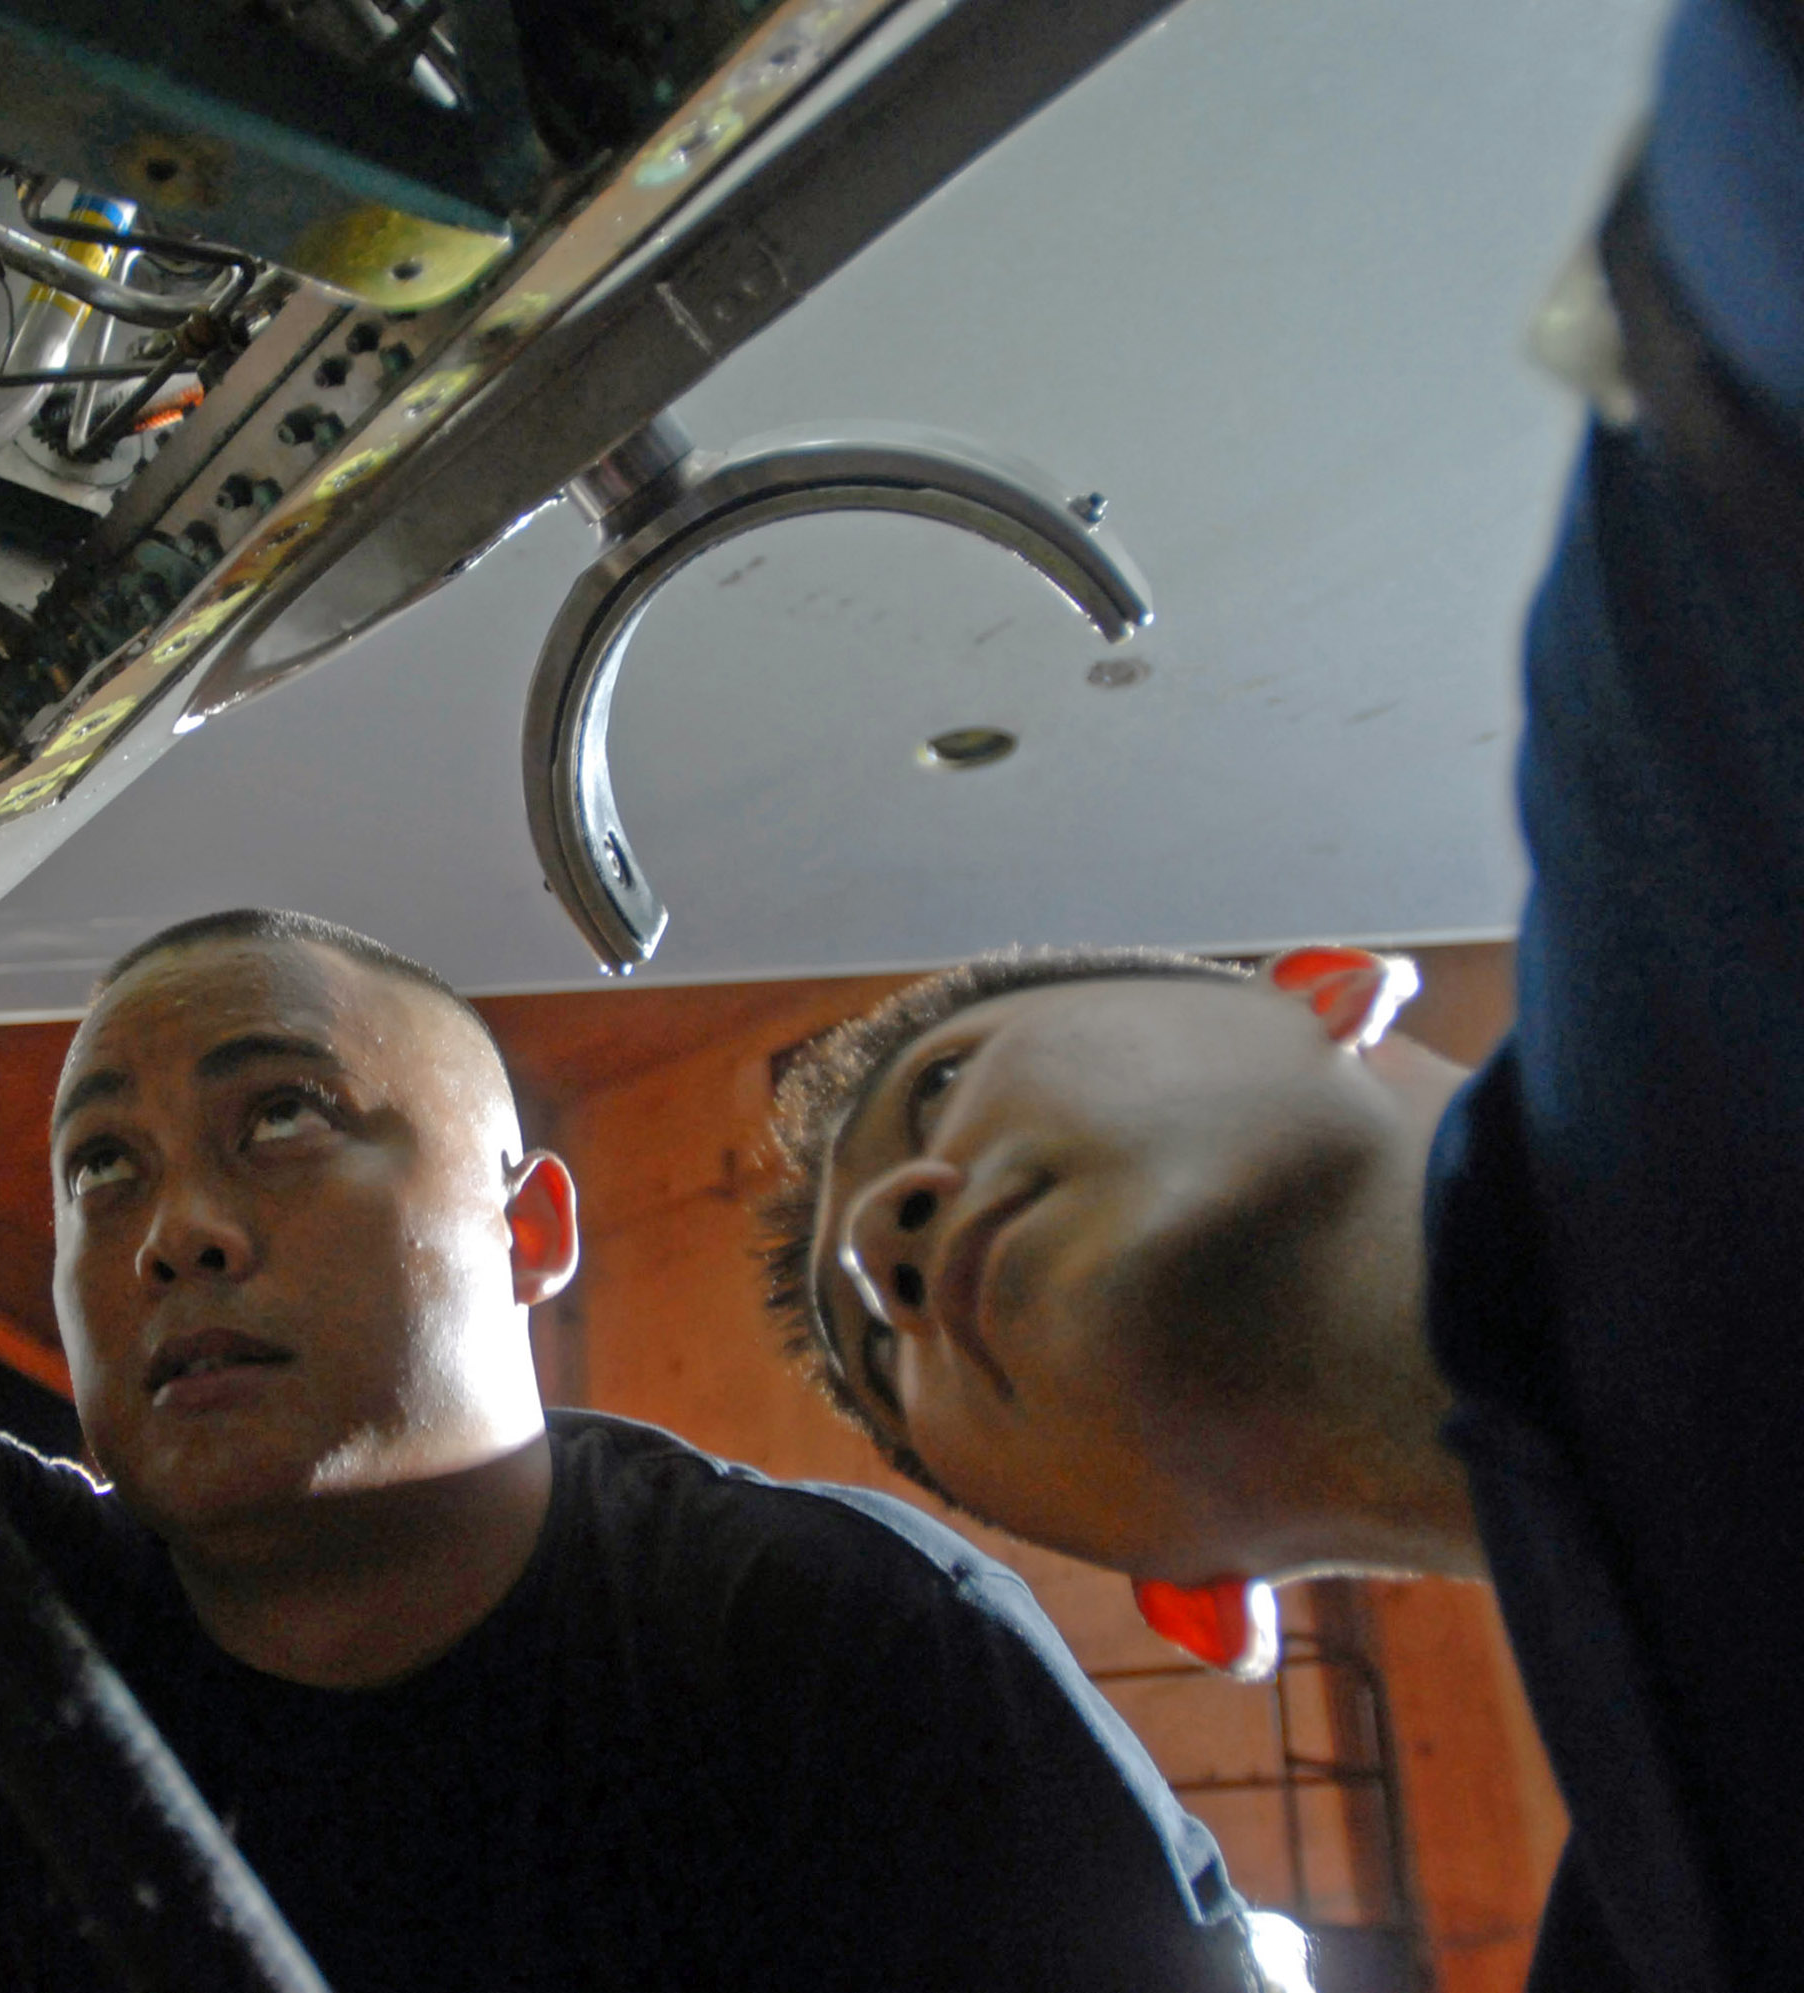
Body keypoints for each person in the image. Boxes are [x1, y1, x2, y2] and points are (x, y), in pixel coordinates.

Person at [762, 5, 1804, 1986]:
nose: (893, 1231)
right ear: (1192, 1609)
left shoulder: (1679, 784)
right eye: (875, 1337)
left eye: (941, 1090)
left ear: (1330, 984)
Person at [0, 906, 1259, 1990]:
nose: (177, 1230)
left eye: (281, 1113)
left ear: (531, 1233)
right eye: (102, 1168)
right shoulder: (10, 1656)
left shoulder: (836, 1651)